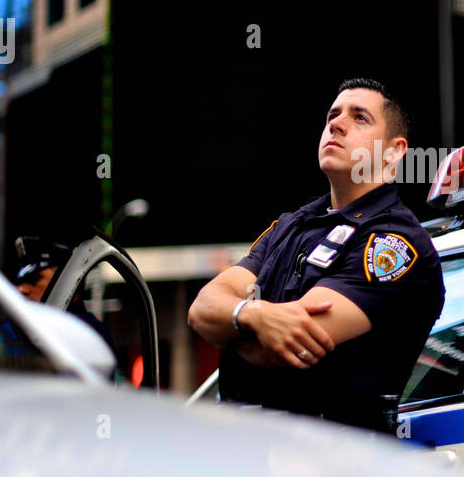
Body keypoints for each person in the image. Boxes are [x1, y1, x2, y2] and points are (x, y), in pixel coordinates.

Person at [188, 78, 445, 432]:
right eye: (333, 115)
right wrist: (254, 315)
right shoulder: (290, 225)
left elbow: (285, 348)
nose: (336, 124)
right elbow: (201, 309)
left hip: (329, 467)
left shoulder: (394, 241)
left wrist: (230, 326)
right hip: (252, 457)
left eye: (360, 118)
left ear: (394, 151)